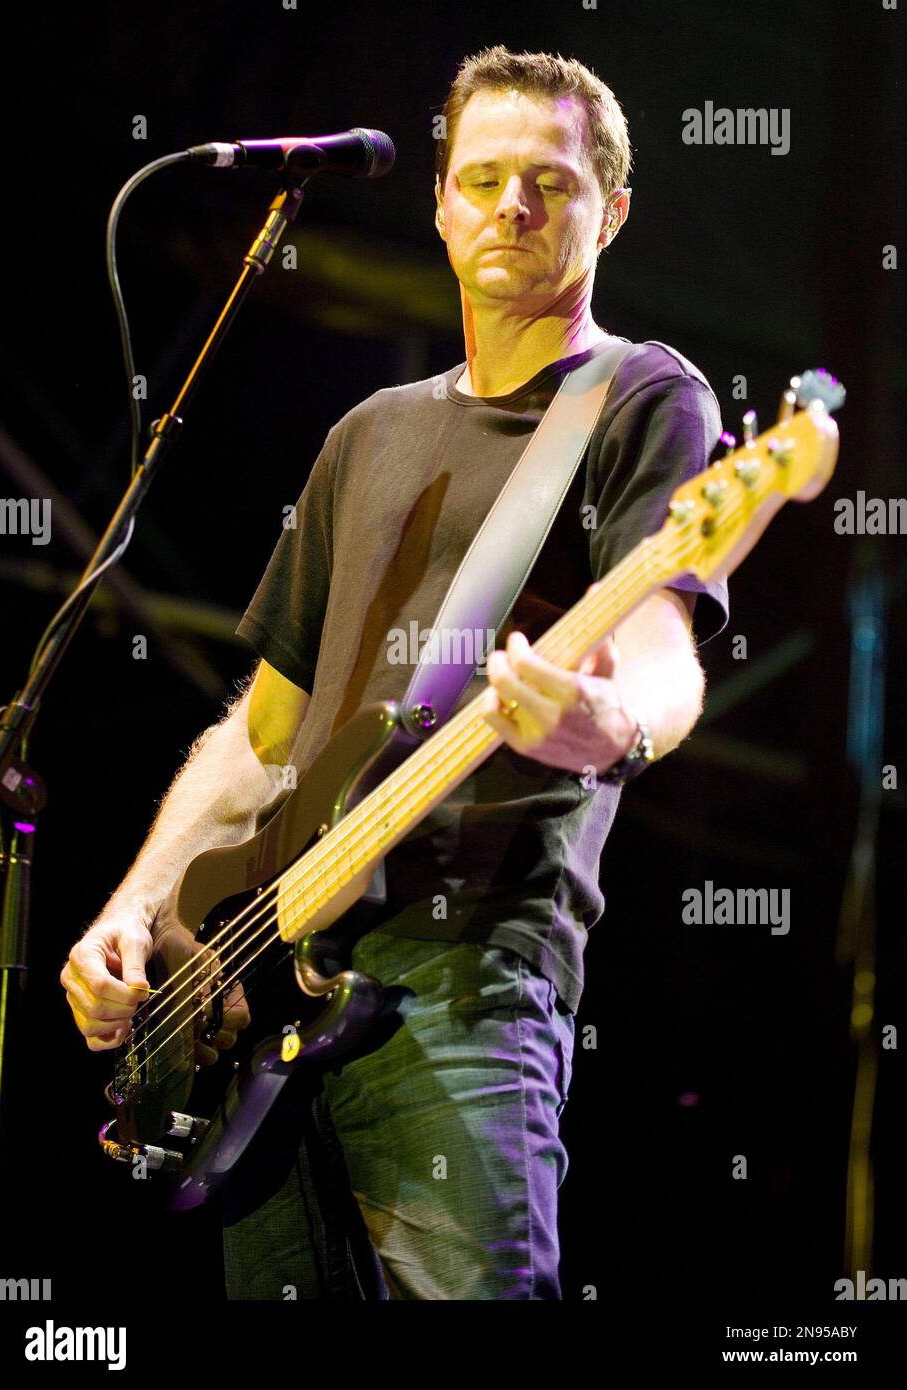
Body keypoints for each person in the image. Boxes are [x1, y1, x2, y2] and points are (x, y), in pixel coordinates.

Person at [60, 45, 729, 1299]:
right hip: (265, 1004)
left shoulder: (642, 399)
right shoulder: (366, 432)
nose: (511, 206)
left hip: (464, 973)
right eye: (481, 178)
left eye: (550, 182)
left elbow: (660, 650)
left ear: (611, 212)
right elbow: (261, 733)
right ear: (437, 205)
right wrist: (137, 908)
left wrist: (611, 723)